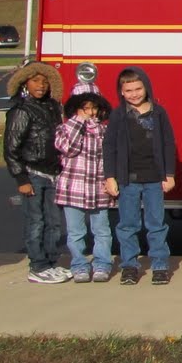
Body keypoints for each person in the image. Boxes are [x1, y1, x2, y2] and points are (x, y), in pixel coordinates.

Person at [102, 66, 178, 286]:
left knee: (156, 224)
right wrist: (110, 176)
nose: (134, 94)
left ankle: (160, 265)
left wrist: (169, 174)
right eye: (128, 90)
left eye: (138, 89)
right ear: (121, 92)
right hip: (128, 180)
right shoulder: (118, 115)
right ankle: (130, 266)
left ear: (146, 88)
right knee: (128, 225)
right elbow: (109, 147)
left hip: (154, 178)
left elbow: (168, 144)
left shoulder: (158, 113)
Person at [4, 61, 68, 284]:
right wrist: (21, 178)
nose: (41, 85)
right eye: (35, 80)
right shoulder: (21, 111)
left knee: (54, 222)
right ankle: (38, 266)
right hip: (33, 174)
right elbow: (11, 148)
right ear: (25, 83)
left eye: (45, 81)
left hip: (53, 173)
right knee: (36, 222)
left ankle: (51, 262)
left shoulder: (53, 107)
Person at [54, 88, 115, 284]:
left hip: (98, 188)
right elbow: (69, 149)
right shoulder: (64, 129)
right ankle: (79, 265)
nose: (90, 112)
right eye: (85, 108)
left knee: (102, 230)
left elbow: (109, 157)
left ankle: (102, 264)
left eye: (94, 107)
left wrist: (110, 180)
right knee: (76, 232)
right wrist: (78, 122)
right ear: (75, 109)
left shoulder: (104, 130)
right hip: (73, 188)